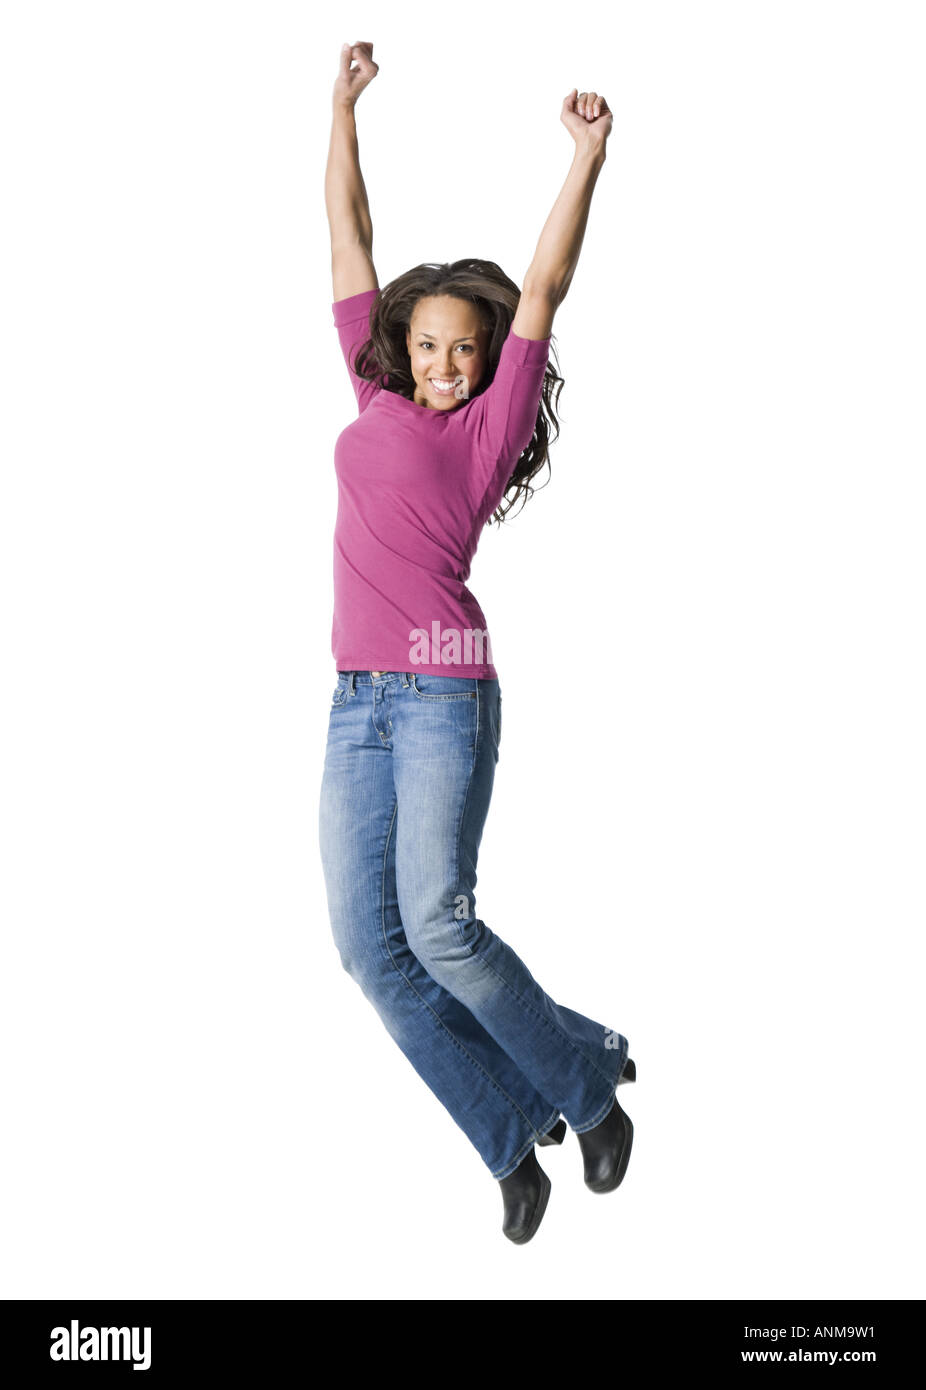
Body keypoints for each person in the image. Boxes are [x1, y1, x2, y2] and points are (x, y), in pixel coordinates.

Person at [318, 41, 635, 1244]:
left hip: (445, 694)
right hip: (355, 702)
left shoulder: (483, 429)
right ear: (399, 348)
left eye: (466, 349)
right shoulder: (372, 395)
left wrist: (586, 156)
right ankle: (512, 1133)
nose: (448, 364)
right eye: (431, 346)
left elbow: (543, 289)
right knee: (369, 949)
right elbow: (348, 231)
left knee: (437, 922)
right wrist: (340, 110)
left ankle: (589, 1089)